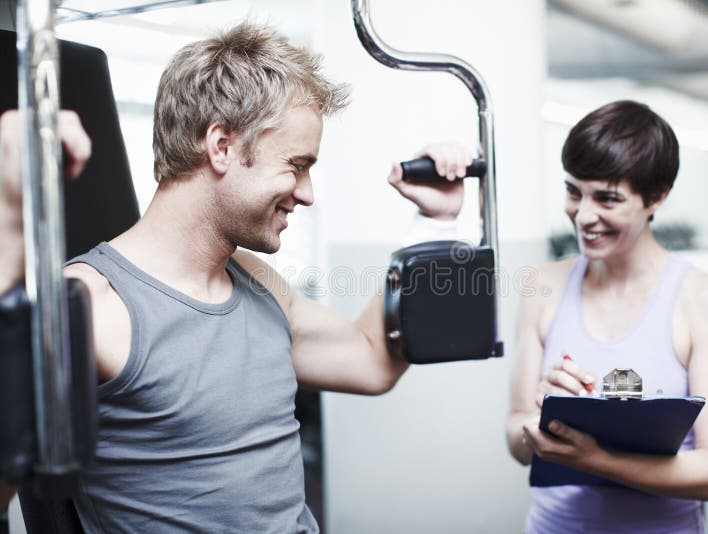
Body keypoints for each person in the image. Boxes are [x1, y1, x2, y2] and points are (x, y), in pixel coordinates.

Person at [0, 22, 472, 532]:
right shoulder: (94, 304)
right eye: (297, 165)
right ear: (221, 145)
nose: (307, 192)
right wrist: (9, 217)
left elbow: (372, 360)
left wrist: (433, 226)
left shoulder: (257, 282)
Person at [505, 100, 708, 533]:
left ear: (656, 197)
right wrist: (539, 417)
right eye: (573, 191)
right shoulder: (542, 286)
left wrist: (596, 460)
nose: (584, 214)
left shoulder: (705, 301)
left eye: (608, 198)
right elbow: (516, 442)